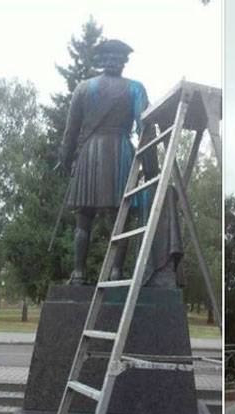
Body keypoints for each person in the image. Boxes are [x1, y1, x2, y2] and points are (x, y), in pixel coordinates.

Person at [60, 39, 182, 286]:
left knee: (84, 219)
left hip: (90, 155)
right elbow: (145, 128)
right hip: (120, 153)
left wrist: (65, 159)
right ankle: (115, 272)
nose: (114, 61)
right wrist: (151, 170)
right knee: (121, 218)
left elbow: (70, 133)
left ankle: (79, 273)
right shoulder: (135, 88)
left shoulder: (84, 88)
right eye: (113, 57)